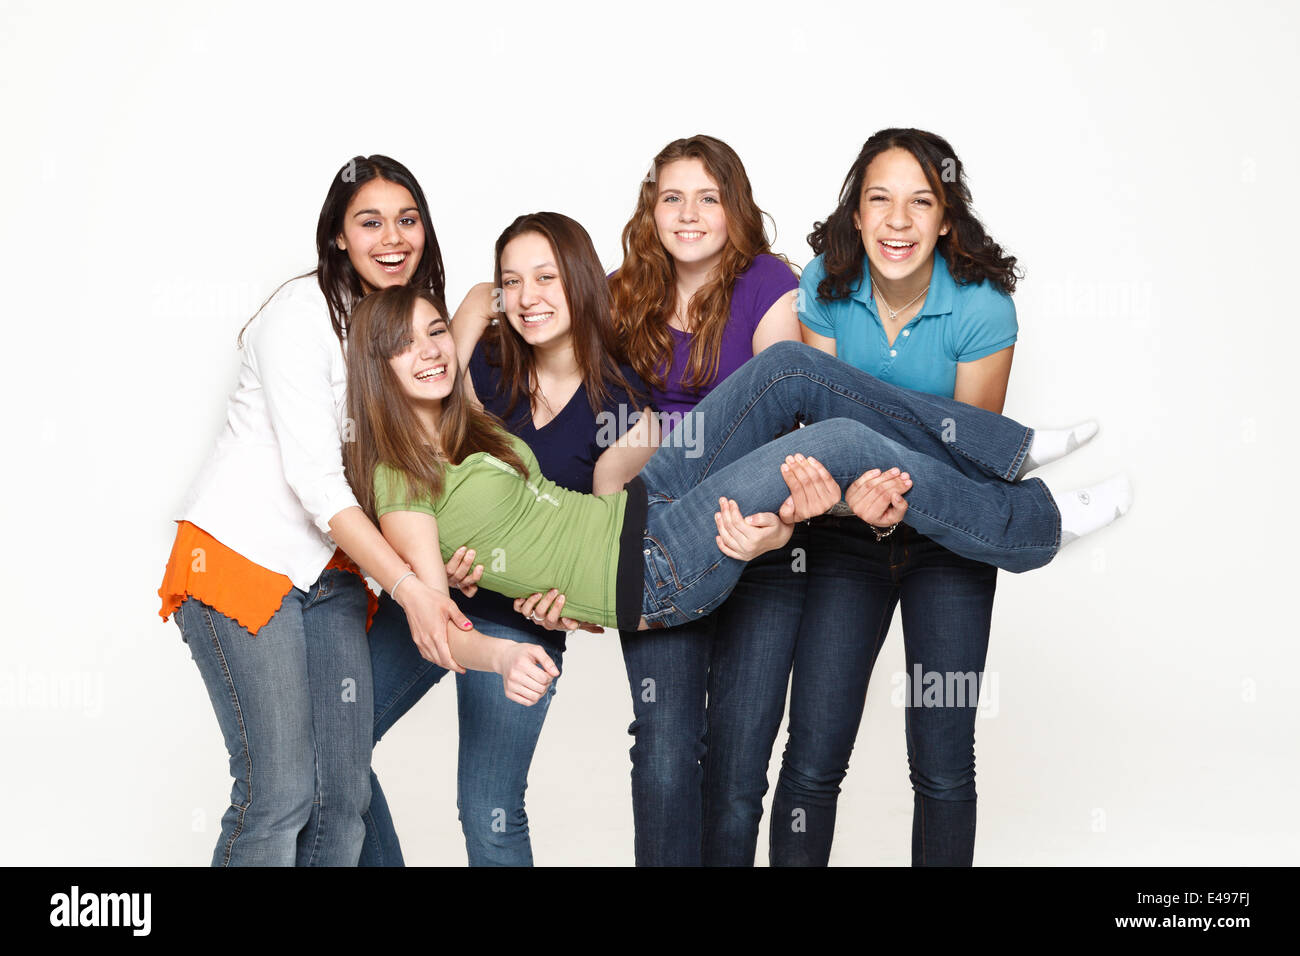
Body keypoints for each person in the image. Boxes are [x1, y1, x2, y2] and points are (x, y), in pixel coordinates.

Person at [342, 281, 1132, 654]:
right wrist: (502, 611)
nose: (432, 351)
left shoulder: (464, 422)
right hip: (653, 567)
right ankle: (1036, 526)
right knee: (843, 446)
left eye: (435, 331)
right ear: (376, 369)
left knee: (790, 367)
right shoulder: (398, 481)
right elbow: (433, 616)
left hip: (638, 506)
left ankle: (1004, 448)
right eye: (404, 346)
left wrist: (476, 306)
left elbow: (477, 310)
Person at [156, 155, 472, 866]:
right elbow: (318, 482)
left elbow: (407, 471)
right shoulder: (298, 316)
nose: (392, 237)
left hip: (330, 577)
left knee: (343, 796)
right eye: (370, 222)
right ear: (337, 236)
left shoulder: (405, 329)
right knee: (279, 794)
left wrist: (438, 564)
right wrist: (412, 588)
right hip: (239, 560)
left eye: (407, 219)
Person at [770, 128, 1061, 866]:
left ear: (945, 219)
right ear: (857, 215)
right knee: (812, 756)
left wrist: (885, 480)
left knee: (941, 763)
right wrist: (846, 499)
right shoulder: (823, 289)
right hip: (841, 542)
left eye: (920, 202)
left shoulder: (982, 308)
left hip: (950, 546)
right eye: (880, 201)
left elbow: (973, 453)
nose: (898, 222)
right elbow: (822, 434)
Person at [359, 212, 658, 866]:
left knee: (486, 810)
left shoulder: (623, 405)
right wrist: (468, 309)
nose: (528, 298)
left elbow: (599, 543)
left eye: (547, 278)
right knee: (333, 744)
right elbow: (417, 410)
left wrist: (572, 612)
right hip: (435, 592)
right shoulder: (483, 367)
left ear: (582, 283)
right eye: (512, 282)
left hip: (520, 617)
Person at [606, 134, 809, 866]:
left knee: (736, 771)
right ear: (649, 209)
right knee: (664, 748)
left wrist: (779, 531)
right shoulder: (620, 290)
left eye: (708, 197)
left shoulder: (768, 281)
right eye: (671, 197)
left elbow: (792, 419)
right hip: (657, 536)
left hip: (758, 539)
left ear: (735, 207)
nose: (688, 214)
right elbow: (574, 416)